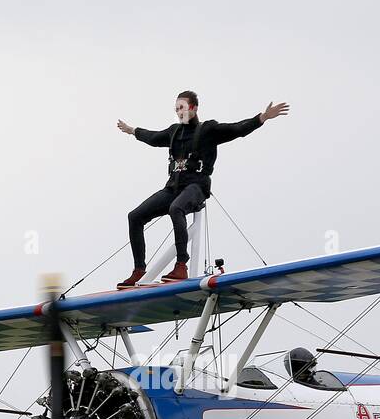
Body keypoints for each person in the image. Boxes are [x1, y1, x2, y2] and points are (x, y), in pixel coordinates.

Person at [116, 91, 289, 288]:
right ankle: (139, 270)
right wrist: (132, 130)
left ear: (193, 108)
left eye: (182, 107)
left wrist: (262, 117)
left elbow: (236, 129)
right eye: (176, 109)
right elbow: (153, 137)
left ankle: (181, 265)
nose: (179, 112)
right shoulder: (174, 132)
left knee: (176, 208)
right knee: (134, 216)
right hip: (173, 188)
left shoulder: (208, 129)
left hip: (197, 187)